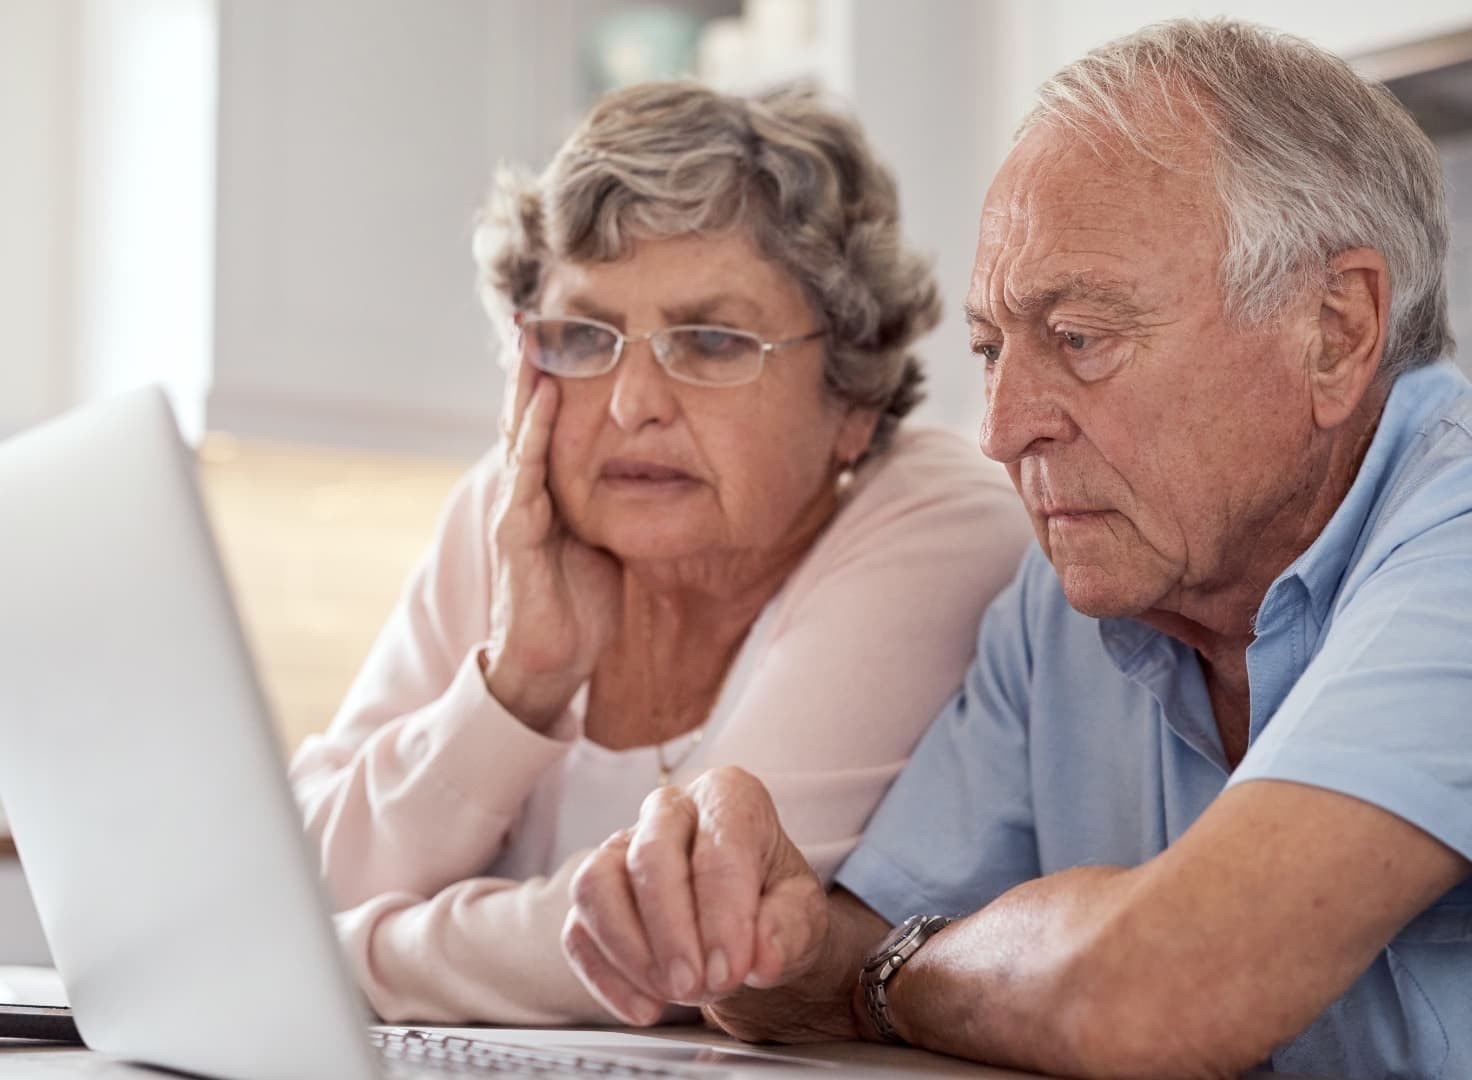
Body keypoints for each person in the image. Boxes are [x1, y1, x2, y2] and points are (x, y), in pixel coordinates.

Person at [561, 20, 1472, 1080]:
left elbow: (1161, 992)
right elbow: (827, 958)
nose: (1005, 427)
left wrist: (880, 976)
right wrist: (757, 918)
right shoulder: (1065, 603)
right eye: (990, 349)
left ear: (1334, 330)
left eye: (1078, 336)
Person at [287, 80, 1031, 1025]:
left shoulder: (938, 519)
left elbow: (684, 938)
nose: (633, 401)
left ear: (851, 396)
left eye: (712, 340)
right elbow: (294, 867)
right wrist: (517, 684)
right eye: (583, 338)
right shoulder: (513, 507)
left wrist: (345, 956)